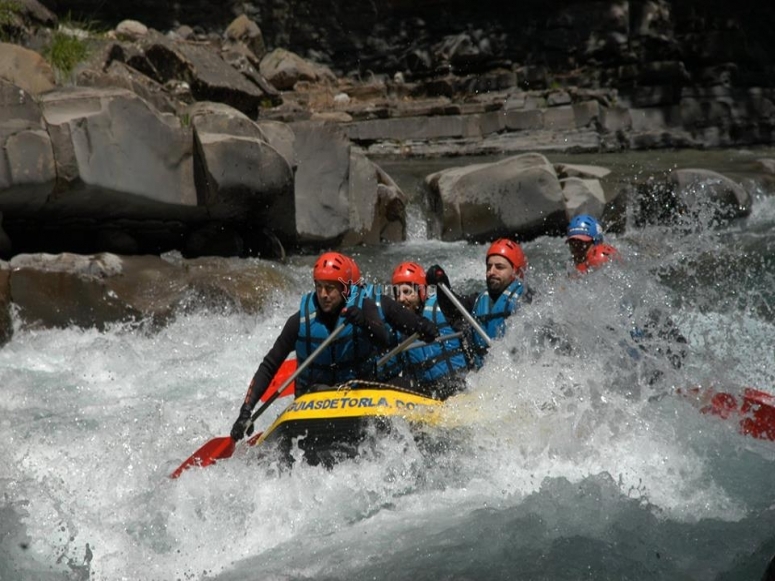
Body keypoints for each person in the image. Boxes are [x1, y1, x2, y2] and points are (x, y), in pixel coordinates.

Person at [230, 251, 392, 441]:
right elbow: (269, 365)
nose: (323, 295)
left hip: (357, 398)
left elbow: (385, 342)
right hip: (313, 403)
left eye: (330, 288)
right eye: (319, 286)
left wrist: (365, 323)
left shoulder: (365, 308)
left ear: (345, 289)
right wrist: (246, 410)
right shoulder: (299, 321)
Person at [426, 237, 531, 367]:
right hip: (484, 373)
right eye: (489, 267)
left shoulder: (528, 300)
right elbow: (452, 310)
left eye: (499, 267)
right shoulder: (477, 300)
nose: (491, 272)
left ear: (517, 272)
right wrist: (442, 283)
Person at [384, 261, 469, 399]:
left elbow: (461, 311)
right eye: (397, 293)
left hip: (460, 390)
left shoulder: (444, 308)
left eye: (407, 292)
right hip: (427, 396)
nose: (401, 299)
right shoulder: (397, 327)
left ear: (421, 291)